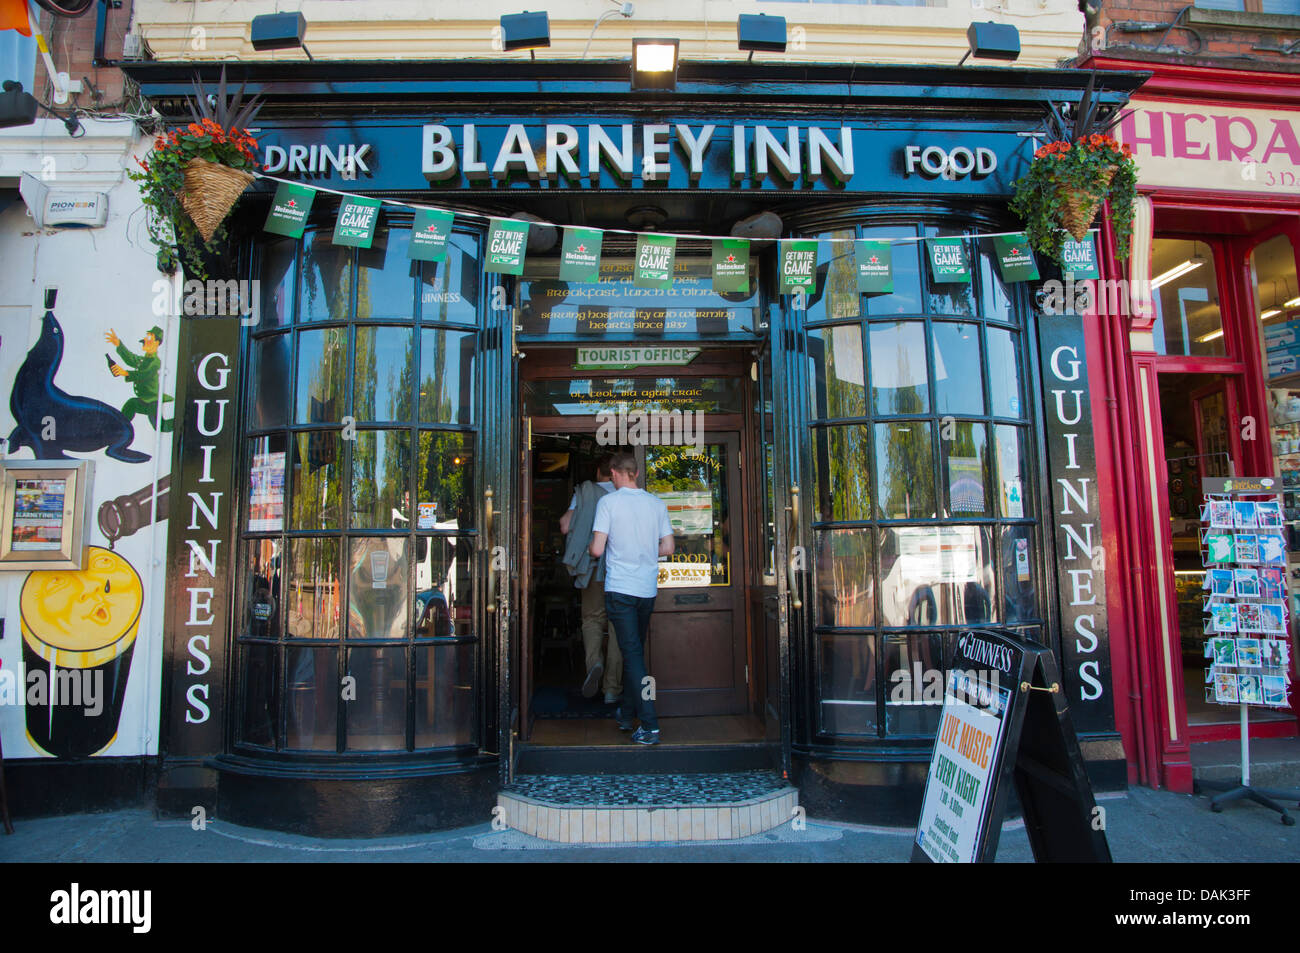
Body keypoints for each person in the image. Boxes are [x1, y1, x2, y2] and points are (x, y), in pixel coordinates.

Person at [588, 451, 674, 745]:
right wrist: (646, 551)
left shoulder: (608, 502)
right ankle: (626, 714)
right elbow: (669, 547)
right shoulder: (656, 503)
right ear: (636, 473)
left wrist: (590, 546)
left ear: (613, 473)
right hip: (647, 590)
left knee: (634, 657)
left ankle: (649, 725)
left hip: (621, 589)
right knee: (632, 651)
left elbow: (597, 550)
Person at [560, 454, 622, 701]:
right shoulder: (625, 493)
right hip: (620, 570)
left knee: (592, 619)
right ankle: (612, 688)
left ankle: (594, 662)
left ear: (599, 471)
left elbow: (566, 525)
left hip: (593, 567)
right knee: (618, 625)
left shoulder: (585, 491)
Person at [105, 325, 173, 432]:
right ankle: (118, 429)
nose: (145, 340)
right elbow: (131, 359)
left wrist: (125, 373)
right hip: (144, 400)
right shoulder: (144, 360)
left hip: (152, 402)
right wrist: (118, 344)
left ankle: (181, 421)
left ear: (156, 343)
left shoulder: (155, 362)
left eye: (149, 337)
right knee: (131, 404)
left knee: (161, 426)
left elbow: (144, 375)